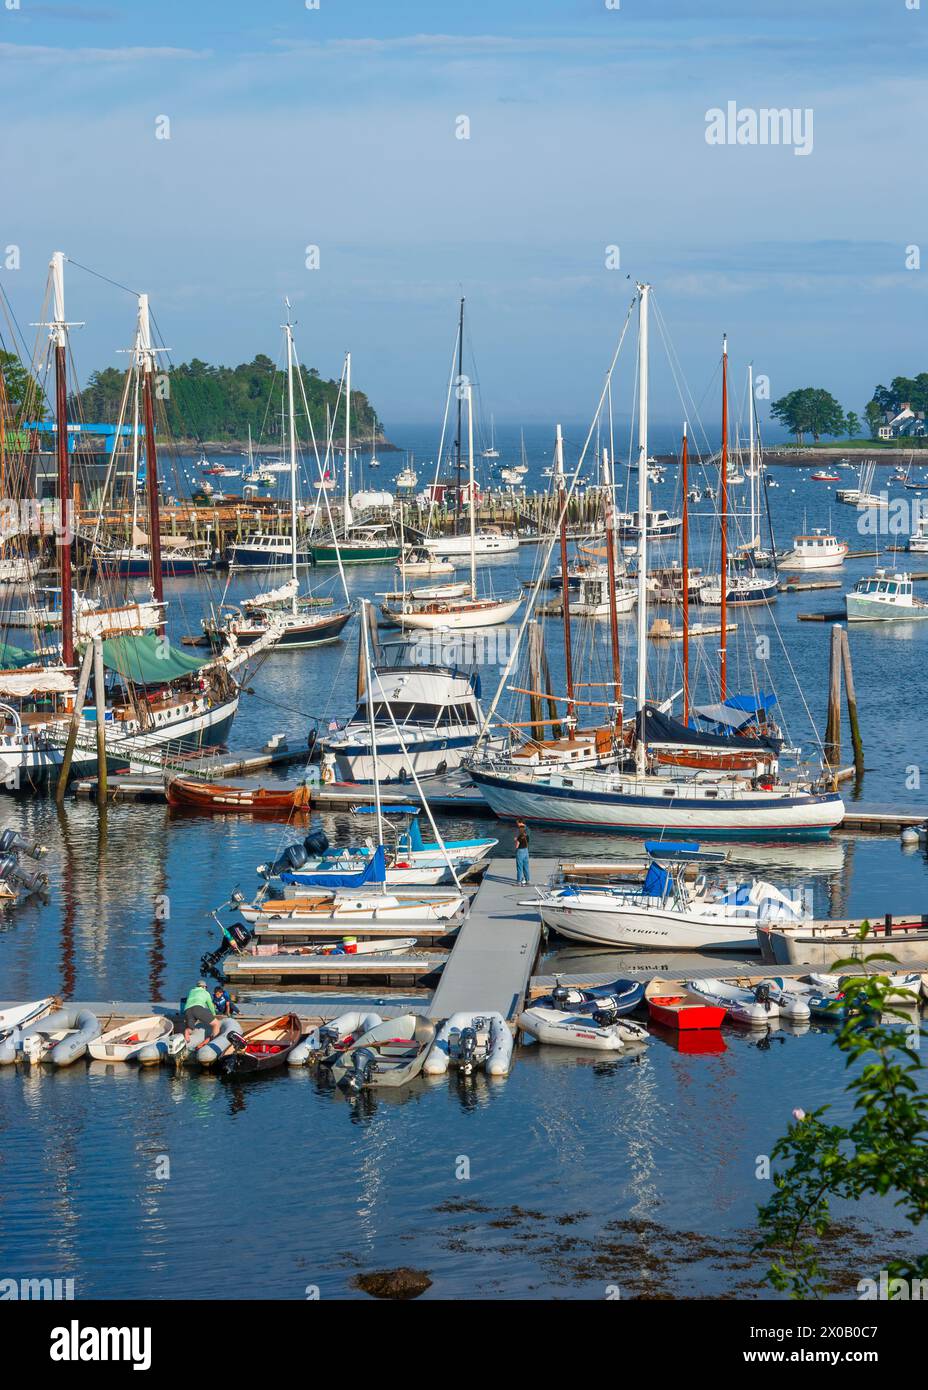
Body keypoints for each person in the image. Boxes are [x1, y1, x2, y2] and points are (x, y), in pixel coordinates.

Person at [515, 821, 531, 885]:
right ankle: (528, 880)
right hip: (526, 851)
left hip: (520, 852)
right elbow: (527, 842)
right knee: (526, 866)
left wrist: (516, 840)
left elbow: (517, 846)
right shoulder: (527, 836)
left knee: (519, 867)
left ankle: (519, 881)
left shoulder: (519, 837)